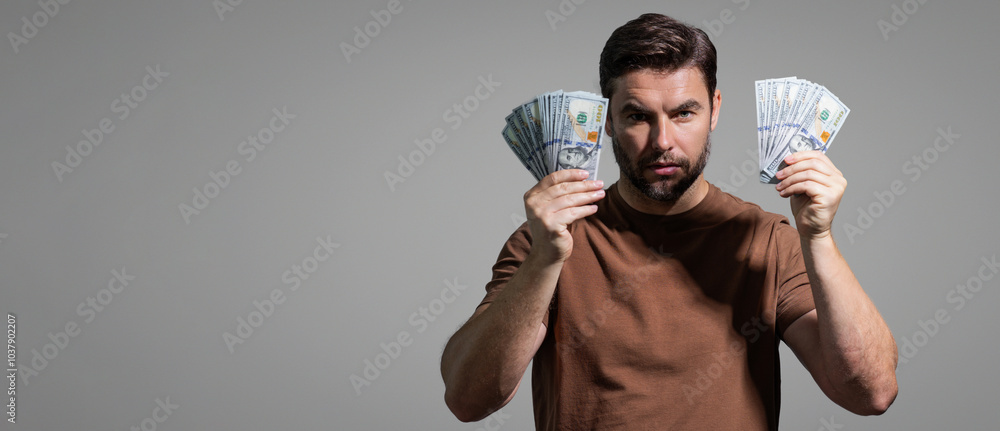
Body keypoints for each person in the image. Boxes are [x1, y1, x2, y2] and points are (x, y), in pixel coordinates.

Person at [440, 13, 897, 430]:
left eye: (684, 113)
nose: (663, 141)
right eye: (638, 116)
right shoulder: (548, 241)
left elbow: (870, 393)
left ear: (714, 109)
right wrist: (543, 261)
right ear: (607, 121)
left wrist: (818, 237)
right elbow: (469, 400)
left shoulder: (768, 241)